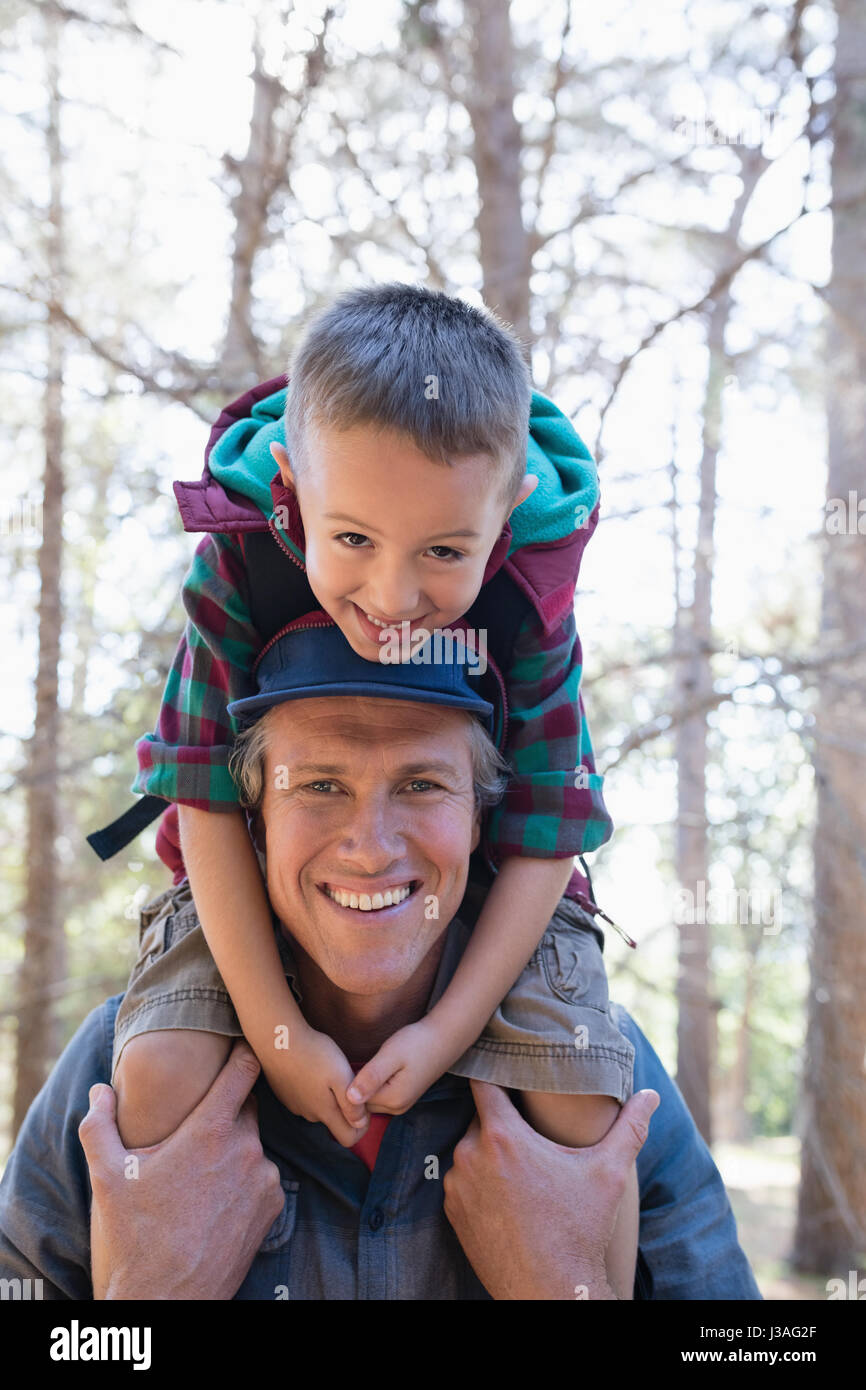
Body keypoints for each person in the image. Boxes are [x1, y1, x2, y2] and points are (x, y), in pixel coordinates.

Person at [108, 283, 641, 1295]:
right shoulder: (238, 557)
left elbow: (545, 833)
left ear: (508, 507)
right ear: (291, 487)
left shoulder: (531, 596)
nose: (393, 599)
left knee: (581, 1107)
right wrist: (277, 1031)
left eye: (443, 552)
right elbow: (205, 803)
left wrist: (447, 1031)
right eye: (349, 540)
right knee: (156, 1071)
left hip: (496, 899)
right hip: (248, 879)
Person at [0, 630, 761, 1300]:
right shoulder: (120, 1074)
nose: (371, 846)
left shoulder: (601, 1082)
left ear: (480, 820)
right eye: (321, 785)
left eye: (422, 784)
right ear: (255, 818)